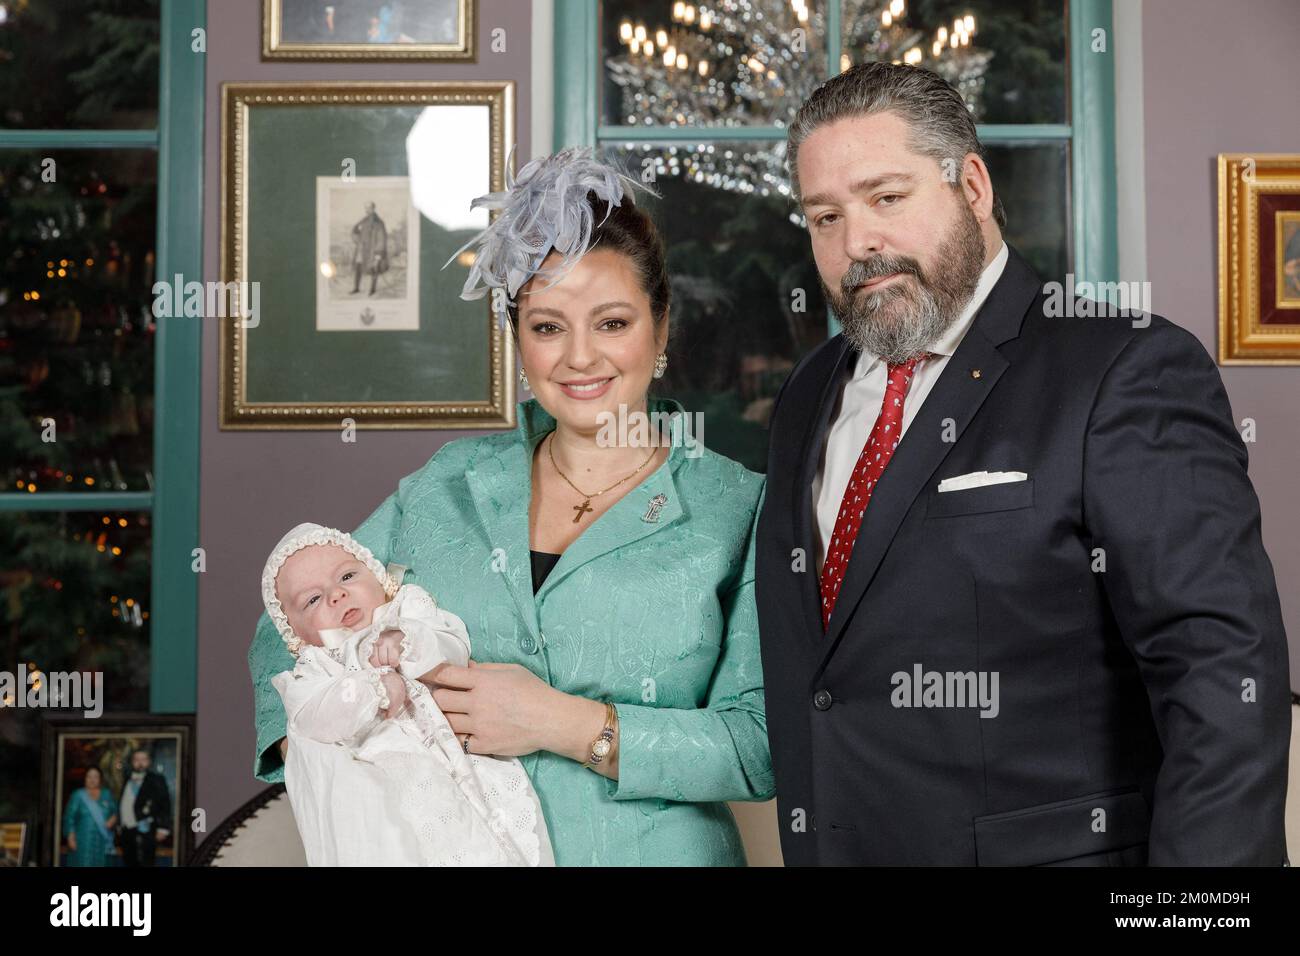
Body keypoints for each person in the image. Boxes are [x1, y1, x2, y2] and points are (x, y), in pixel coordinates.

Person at [756, 61, 1291, 866]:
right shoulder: (808, 391)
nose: (856, 242)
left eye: (887, 198)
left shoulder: (1126, 368)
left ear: (971, 185)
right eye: (824, 216)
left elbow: (1221, 680)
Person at [249, 147, 774, 866]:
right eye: (548, 327)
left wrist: (560, 722)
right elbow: (287, 617)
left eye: (613, 322)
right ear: (517, 339)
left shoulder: (737, 508)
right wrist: (336, 756)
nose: (580, 357)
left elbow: (759, 743)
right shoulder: (447, 484)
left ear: (661, 326)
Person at [262, 523, 553, 865]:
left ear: (377, 577)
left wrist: (409, 641)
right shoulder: (315, 669)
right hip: (399, 789)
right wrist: (374, 690)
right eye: (312, 600)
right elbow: (316, 718)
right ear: (294, 633)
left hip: (469, 761)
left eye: (347, 576)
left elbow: (454, 647)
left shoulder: (408, 610)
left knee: (505, 839)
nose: (335, 595)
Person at [116, 749, 171, 866]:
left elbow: (165, 804)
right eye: (136, 760)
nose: (140, 763)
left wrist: (163, 828)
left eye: (143, 759)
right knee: (129, 862)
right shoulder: (127, 778)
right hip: (127, 830)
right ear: (132, 762)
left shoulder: (156, 779)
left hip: (146, 828)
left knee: (146, 863)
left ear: (149, 762)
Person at [62, 767, 118, 867]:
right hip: (83, 841)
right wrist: (70, 837)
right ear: (85, 778)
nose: (92, 780)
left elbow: (116, 812)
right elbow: (69, 818)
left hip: (103, 841)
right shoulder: (77, 795)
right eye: (89, 777)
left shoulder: (107, 794)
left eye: (95, 777)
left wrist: (113, 819)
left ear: (100, 779)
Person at [350, 201, 387, 296]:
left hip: (372, 251)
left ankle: (373, 289)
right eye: (366, 208)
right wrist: (357, 239)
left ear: (373, 208)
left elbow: (381, 238)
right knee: (358, 267)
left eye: (369, 208)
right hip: (361, 250)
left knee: (374, 268)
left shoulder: (378, 222)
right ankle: (356, 288)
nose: (367, 210)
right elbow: (355, 231)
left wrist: (378, 254)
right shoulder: (364, 220)